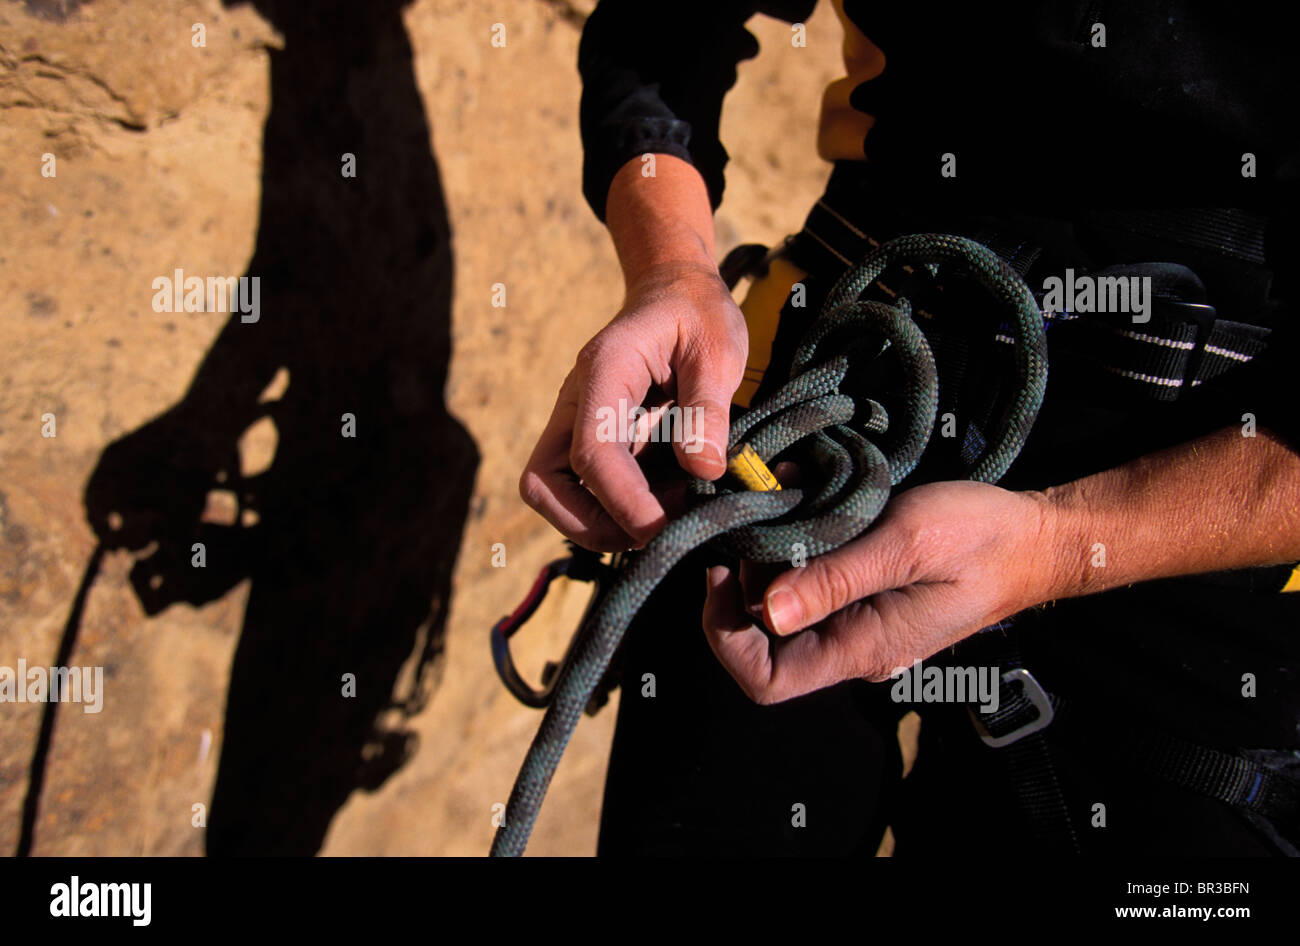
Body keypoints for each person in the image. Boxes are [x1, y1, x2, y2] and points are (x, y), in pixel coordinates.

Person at [520, 0, 1300, 855]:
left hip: (1198, 517)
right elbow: (665, 25)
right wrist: (670, 269)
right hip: (826, 408)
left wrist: (1064, 544)